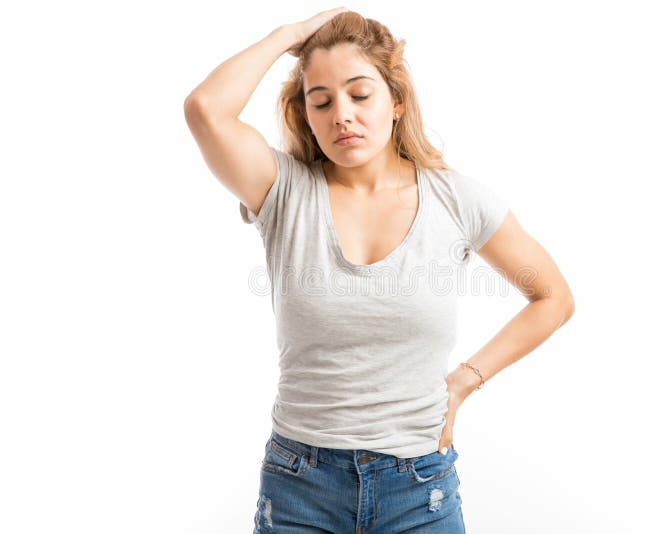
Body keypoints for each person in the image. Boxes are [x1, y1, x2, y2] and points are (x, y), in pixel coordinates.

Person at [184, 7, 575, 533]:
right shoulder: (285, 191)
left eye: (359, 94)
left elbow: (553, 296)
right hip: (300, 484)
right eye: (320, 101)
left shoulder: (456, 200)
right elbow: (206, 109)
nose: (341, 114)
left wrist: (463, 381)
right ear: (307, 116)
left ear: (396, 102)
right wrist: (291, 36)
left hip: (419, 488)